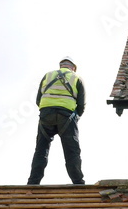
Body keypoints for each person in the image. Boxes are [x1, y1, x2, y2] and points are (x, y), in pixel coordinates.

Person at [27, 56, 85, 185]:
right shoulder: (76, 78)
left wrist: (47, 110)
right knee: (72, 150)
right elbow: (81, 105)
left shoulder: (48, 75)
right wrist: (75, 117)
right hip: (67, 116)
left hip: (46, 115)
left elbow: (38, 99)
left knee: (41, 149)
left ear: (61, 66)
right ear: (73, 68)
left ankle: (33, 182)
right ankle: (78, 182)